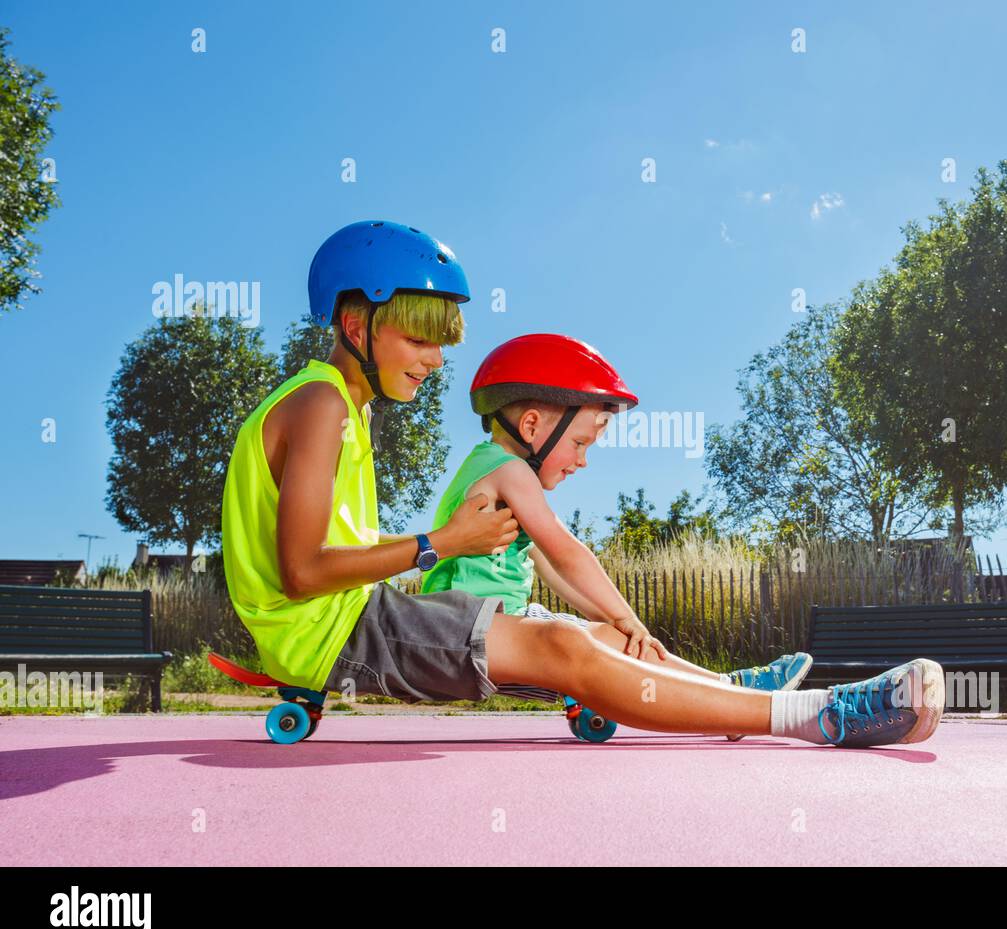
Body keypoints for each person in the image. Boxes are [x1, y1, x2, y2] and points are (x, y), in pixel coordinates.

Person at [221, 218, 945, 748]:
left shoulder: (335, 407)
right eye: (418, 337)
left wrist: (430, 547)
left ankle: (730, 695)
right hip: (333, 635)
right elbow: (304, 570)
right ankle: (819, 716)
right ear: (355, 321)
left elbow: (325, 553)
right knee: (567, 643)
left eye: (443, 341)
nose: (435, 358)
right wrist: (442, 544)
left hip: (343, 623)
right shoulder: (320, 406)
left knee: (584, 636)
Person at [418, 333, 814, 740]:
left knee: (611, 637)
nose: (583, 460)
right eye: (579, 443)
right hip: (470, 627)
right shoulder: (511, 471)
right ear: (532, 424)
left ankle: (727, 690)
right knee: (615, 640)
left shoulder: (488, 467)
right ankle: (730, 693)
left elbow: (551, 570)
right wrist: (627, 620)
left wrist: (608, 619)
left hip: (479, 624)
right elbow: (566, 554)